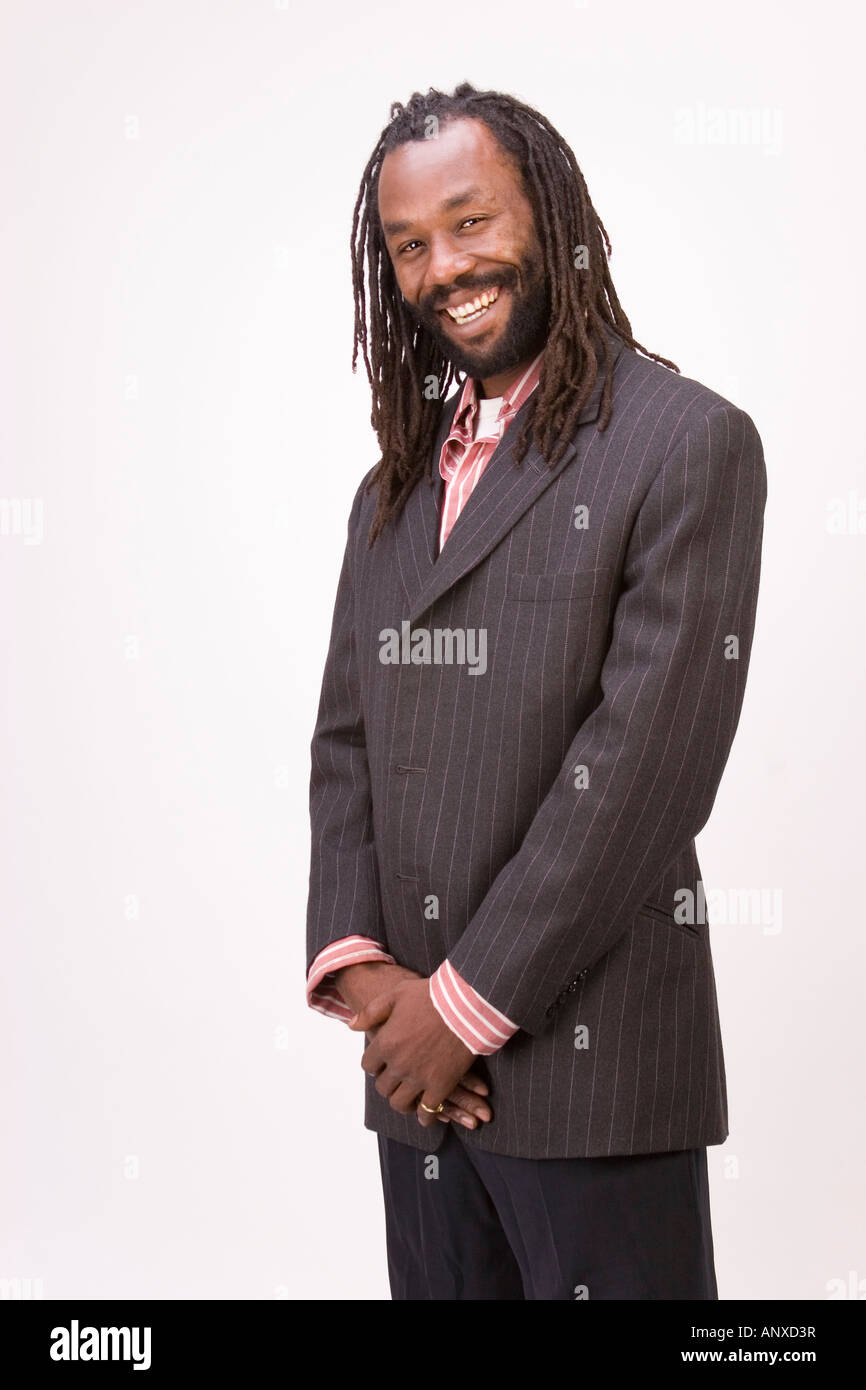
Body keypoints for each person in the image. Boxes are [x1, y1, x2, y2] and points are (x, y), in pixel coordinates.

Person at [305, 83, 767, 1300]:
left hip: (591, 1084)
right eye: (409, 244)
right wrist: (367, 980)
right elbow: (347, 744)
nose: (442, 266)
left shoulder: (683, 443)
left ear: (552, 218)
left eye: (470, 221)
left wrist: (460, 1006)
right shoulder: (390, 491)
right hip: (417, 1096)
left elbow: (641, 771)